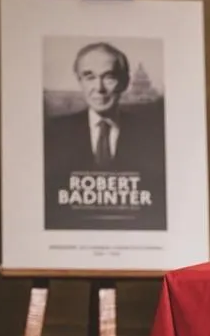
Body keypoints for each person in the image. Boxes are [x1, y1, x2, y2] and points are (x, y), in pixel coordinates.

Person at [43, 41, 167, 229]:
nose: (99, 88)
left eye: (109, 77)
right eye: (89, 77)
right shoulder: (52, 133)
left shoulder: (154, 136)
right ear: (80, 81)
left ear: (125, 82)